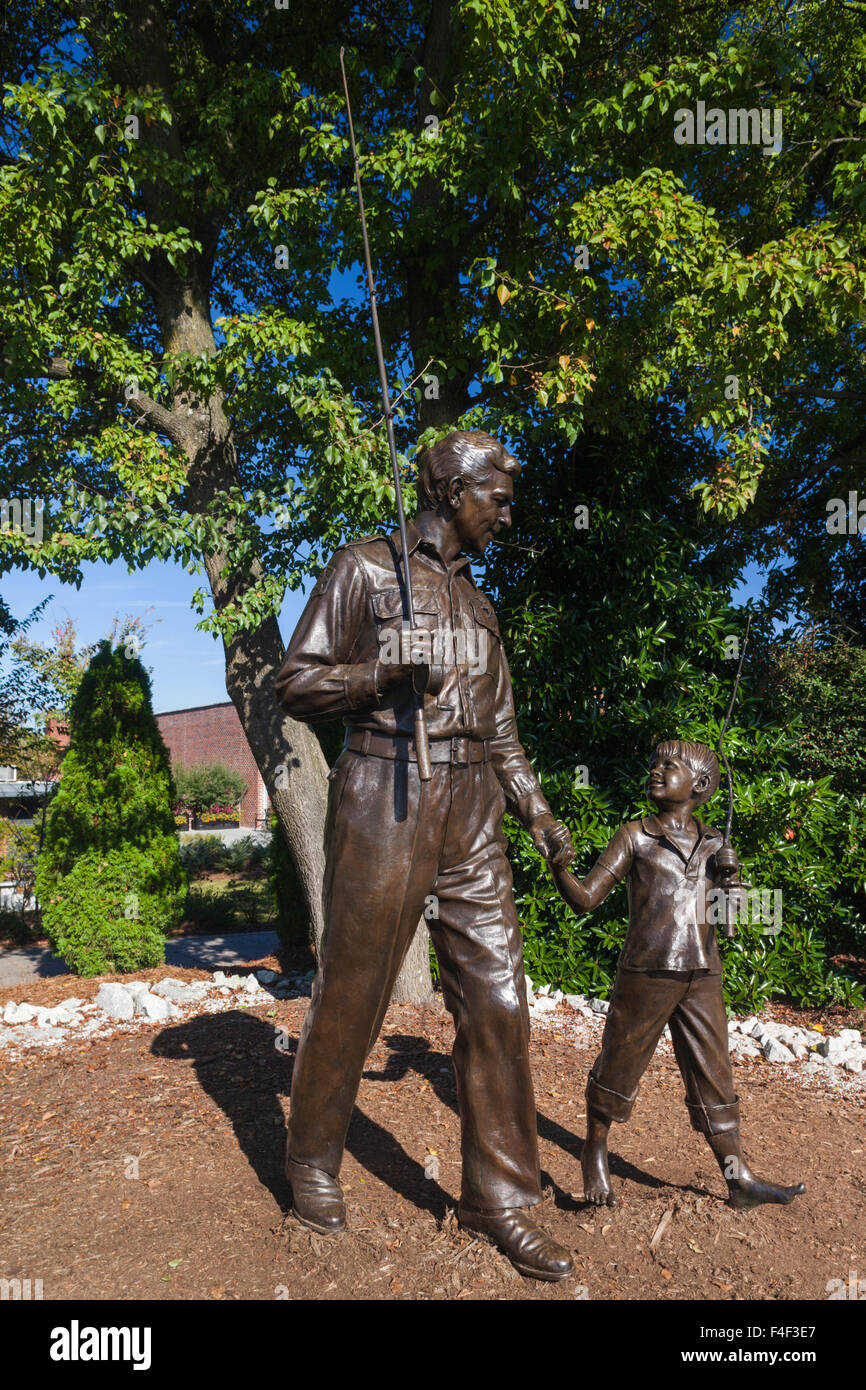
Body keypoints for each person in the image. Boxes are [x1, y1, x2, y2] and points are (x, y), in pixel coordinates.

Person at [274, 429, 577, 1280]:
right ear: (453, 492)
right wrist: (383, 674)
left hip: (475, 806)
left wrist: (542, 818)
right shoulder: (366, 570)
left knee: (500, 1000)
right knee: (355, 987)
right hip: (385, 795)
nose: (507, 515)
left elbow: (506, 733)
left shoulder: (481, 607)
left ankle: (498, 1200)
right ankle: (311, 1159)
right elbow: (295, 682)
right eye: (500, 498)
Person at [550, 739, 806, 1210]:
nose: (656, 770)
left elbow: (729, 925)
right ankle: (595, 1151)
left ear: (701, 785)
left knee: (714, 1076)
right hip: (647, 972)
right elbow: (586, 898)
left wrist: (733, 884)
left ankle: (738, 1178)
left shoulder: (714, 845)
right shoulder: (635, 836)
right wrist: (559, 867)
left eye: (670, 766)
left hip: (703, 974)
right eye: (654, 763)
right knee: (619, 1067)